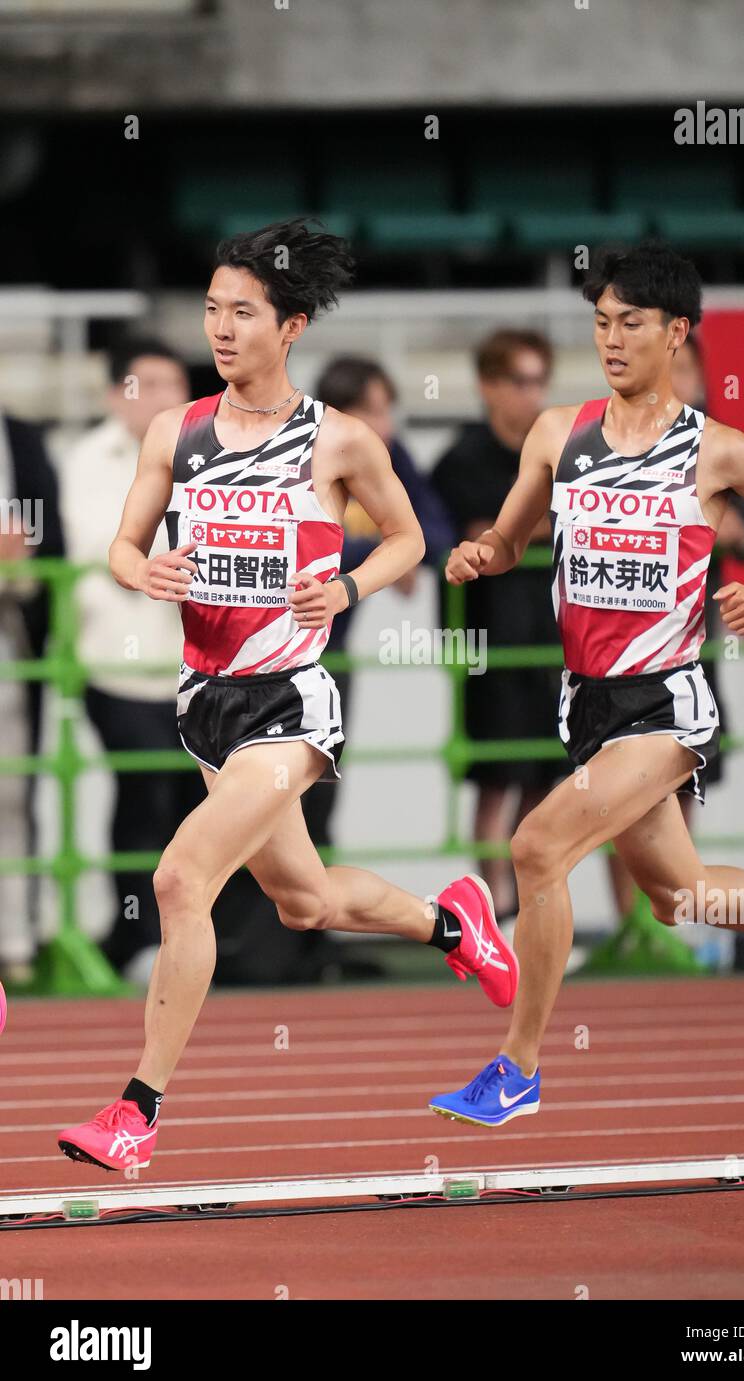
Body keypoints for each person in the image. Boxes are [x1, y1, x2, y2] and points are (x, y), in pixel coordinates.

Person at [57, 219, 517, 1171]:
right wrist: (144, 571)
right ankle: (453, 921)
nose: (222, 330)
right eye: (213, 311)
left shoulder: (336, 440)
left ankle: (137, 1112)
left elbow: (407, 539)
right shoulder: (174, 431)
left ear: (291, 324)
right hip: (207, 704)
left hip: (289, 706)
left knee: (181, 880)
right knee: (304, 902)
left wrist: (346, 586)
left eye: (244, 313)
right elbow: (120, 544)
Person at [429, 242, 744, 1128]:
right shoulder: (558, 434)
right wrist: (482, 554)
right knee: (682, 896)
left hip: (666, 703)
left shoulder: (720, 451)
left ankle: (519, 1066)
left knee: (536, 848)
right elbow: (513, 542)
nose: (612, 339)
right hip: (586, 703)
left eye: (631, 323)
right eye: (600, 322)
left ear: (678, 334)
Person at [608, 331, 744, 974]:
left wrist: (716, 518)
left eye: (686, 367)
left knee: (678, 795)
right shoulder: (607, 441)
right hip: (606, 662)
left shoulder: (716, 448)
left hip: (684, 657)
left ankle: (670, 929)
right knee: (608, 809)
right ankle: (635, 929)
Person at [58, 338, 202, 977]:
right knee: (142, 794)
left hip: (197, 664)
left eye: (175, 384)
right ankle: (134, 936)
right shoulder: (88, 458)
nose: (167, 397)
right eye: (150, 384)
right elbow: (99, 543)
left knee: (191, 805)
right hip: (116, 664)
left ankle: (183, 941)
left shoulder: (209, 449)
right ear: (118, 393)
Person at [432, 330, 563, 918]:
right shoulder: (461, 460)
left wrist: (516, 527)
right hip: (487, 644)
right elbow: (485, 533)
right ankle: (496, 917)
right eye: (519, 380)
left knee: (544, 782)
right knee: (495, 782)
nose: (531, 394)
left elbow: (504, 531)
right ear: (487, 385)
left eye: (539, 381)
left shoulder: (556, 452)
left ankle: (525, 913)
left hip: (556, 640)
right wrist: (547, 519)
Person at [301, 355, 454, 851]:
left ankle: (308, 923)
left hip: (331, 654)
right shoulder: (301, 458)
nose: (386, 427)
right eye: (373, 412)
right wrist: (389, 552)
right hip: (270, 655)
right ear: (337, 415)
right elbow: (308, 557)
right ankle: (252, 925)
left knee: (320, 793)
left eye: (389, 411)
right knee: (268, 801)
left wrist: (398, 550)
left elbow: (436, 535)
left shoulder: (387, 455)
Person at [0, 410, 65, 981]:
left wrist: (19, 563)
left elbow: (49, 547)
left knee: (11, 792)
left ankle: (15, 942)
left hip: (11, 640)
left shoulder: (22, 439)